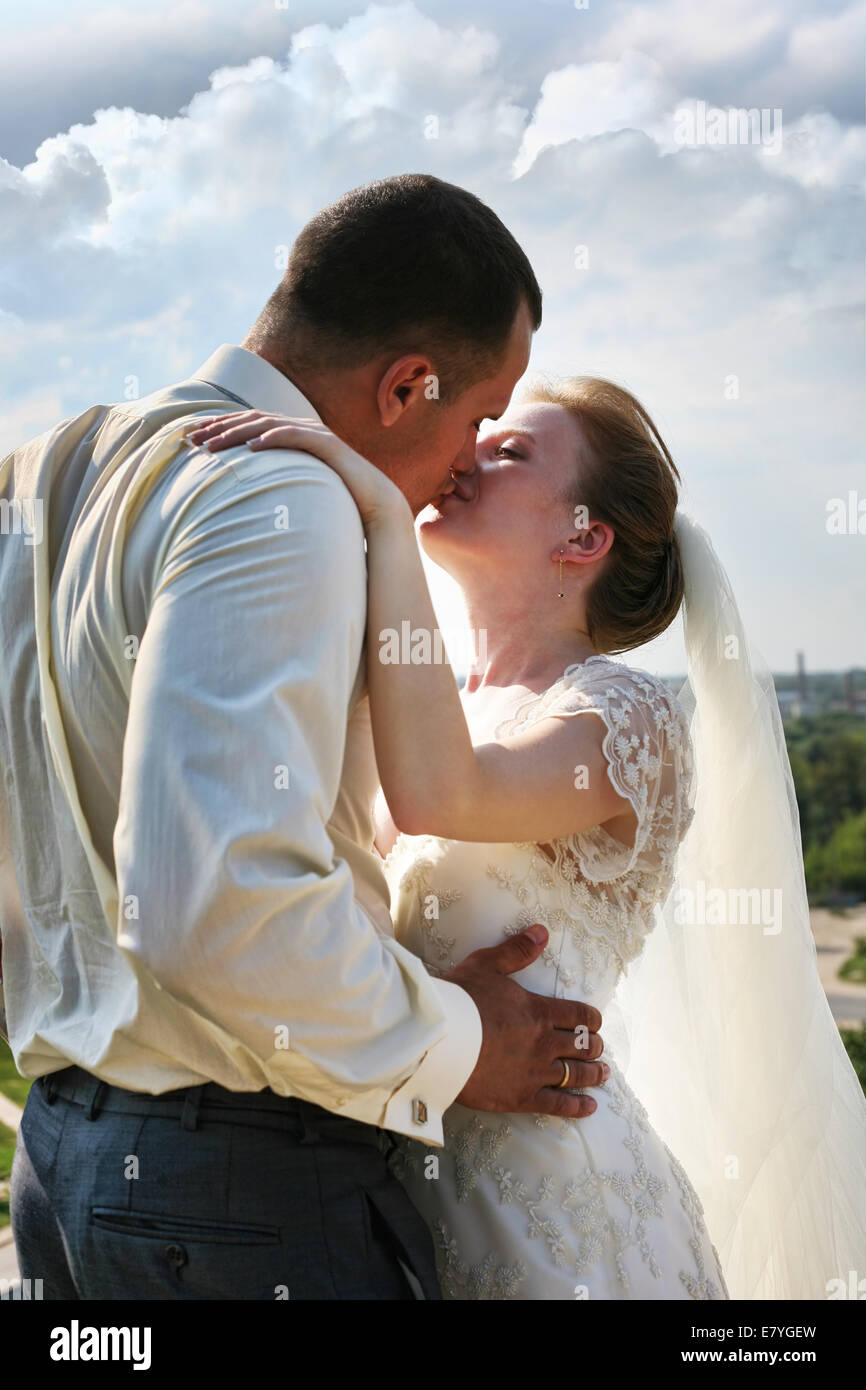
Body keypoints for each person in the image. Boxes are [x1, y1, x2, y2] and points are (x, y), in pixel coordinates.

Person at [0, 174, 608, 1302]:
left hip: (60, 1166)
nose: (468, 461)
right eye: (477, 418)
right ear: (405, 385)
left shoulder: (51, 473)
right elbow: (215, 900)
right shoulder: (280, 496)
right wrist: (459, 1041)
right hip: (239, 1199)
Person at [195, 372, 866, 1300]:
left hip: (562, 1216)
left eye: (509, 451)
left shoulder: (626, 719)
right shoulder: (425, 702)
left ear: (583, 538)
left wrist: (383, 511)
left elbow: (443, 796)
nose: (466, 454)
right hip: (402, 1188)